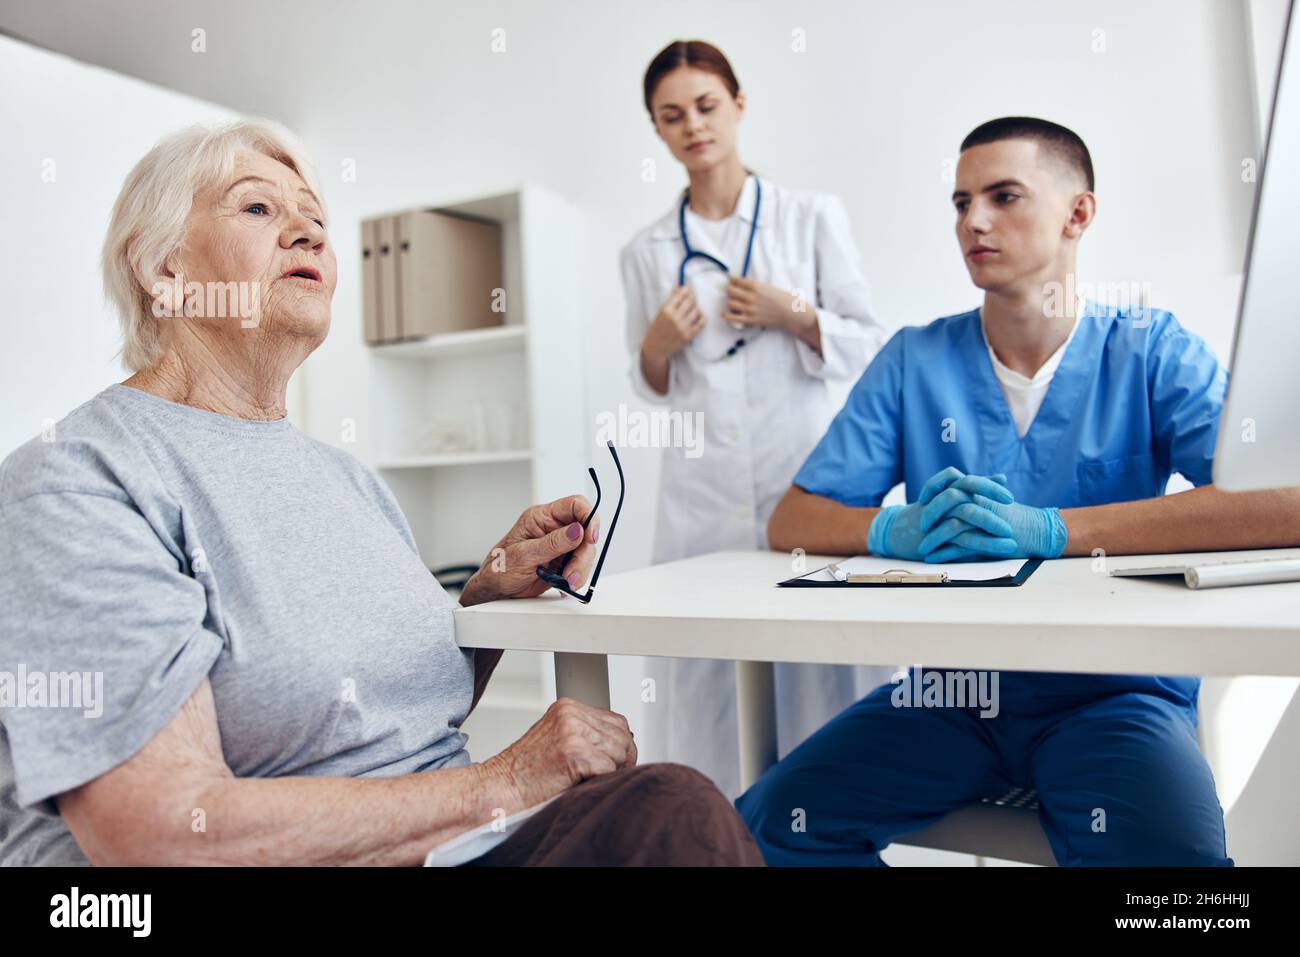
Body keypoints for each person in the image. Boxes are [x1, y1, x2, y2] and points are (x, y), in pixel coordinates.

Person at [0, 119, 763, 867]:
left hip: (443, 845)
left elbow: (384, 713)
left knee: (673, 815)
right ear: (164, 269)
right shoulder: (79, 479)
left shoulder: (347, 480)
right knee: (675, 823)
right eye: (259, 207)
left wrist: (489, 600)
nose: (309, 235)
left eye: (317, 219)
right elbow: (166, 831)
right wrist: (506, 780)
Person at [736, 116, 1300, 866]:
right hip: (953, 696)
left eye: (1003, 196)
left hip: (1114, 694)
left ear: (1078, 214)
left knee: (1178, 876)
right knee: (770, 823)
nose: (973, 220)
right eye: (961, 201)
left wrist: (1057, 529)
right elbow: (795, 518)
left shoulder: (1149, 349)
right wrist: (889, 529)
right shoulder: (915, 360)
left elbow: (1283, 499)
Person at [620, 39, 891, 798]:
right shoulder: (645, 252)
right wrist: (656, 344)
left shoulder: (809, 218)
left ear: (738, 106)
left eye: (707, 106)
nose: (693, 126)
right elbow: (650, 385)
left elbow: (869, 344)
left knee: (815, 682)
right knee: (706, 695)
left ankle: (816, 832)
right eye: (672, 116)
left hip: (798, 478)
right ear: (657, 129)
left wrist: (792, 310)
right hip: (700, 499)